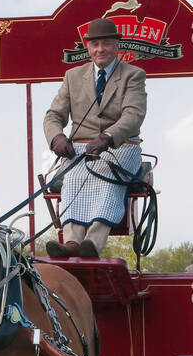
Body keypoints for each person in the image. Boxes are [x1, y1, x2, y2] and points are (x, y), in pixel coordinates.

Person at [42, 17, 147, 258]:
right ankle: (71, 242)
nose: (100, 49)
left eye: (106, 43)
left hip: (121, 146)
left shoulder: (133, 75)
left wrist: (108, 137)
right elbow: (53, 115)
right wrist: (57, 137)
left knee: (108, 174)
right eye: (95, 44)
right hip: (80, 149)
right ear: (88, 47)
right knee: (72, 177)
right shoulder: (73, 76)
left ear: (116, 46)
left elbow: (134, 115)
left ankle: (93, 243)